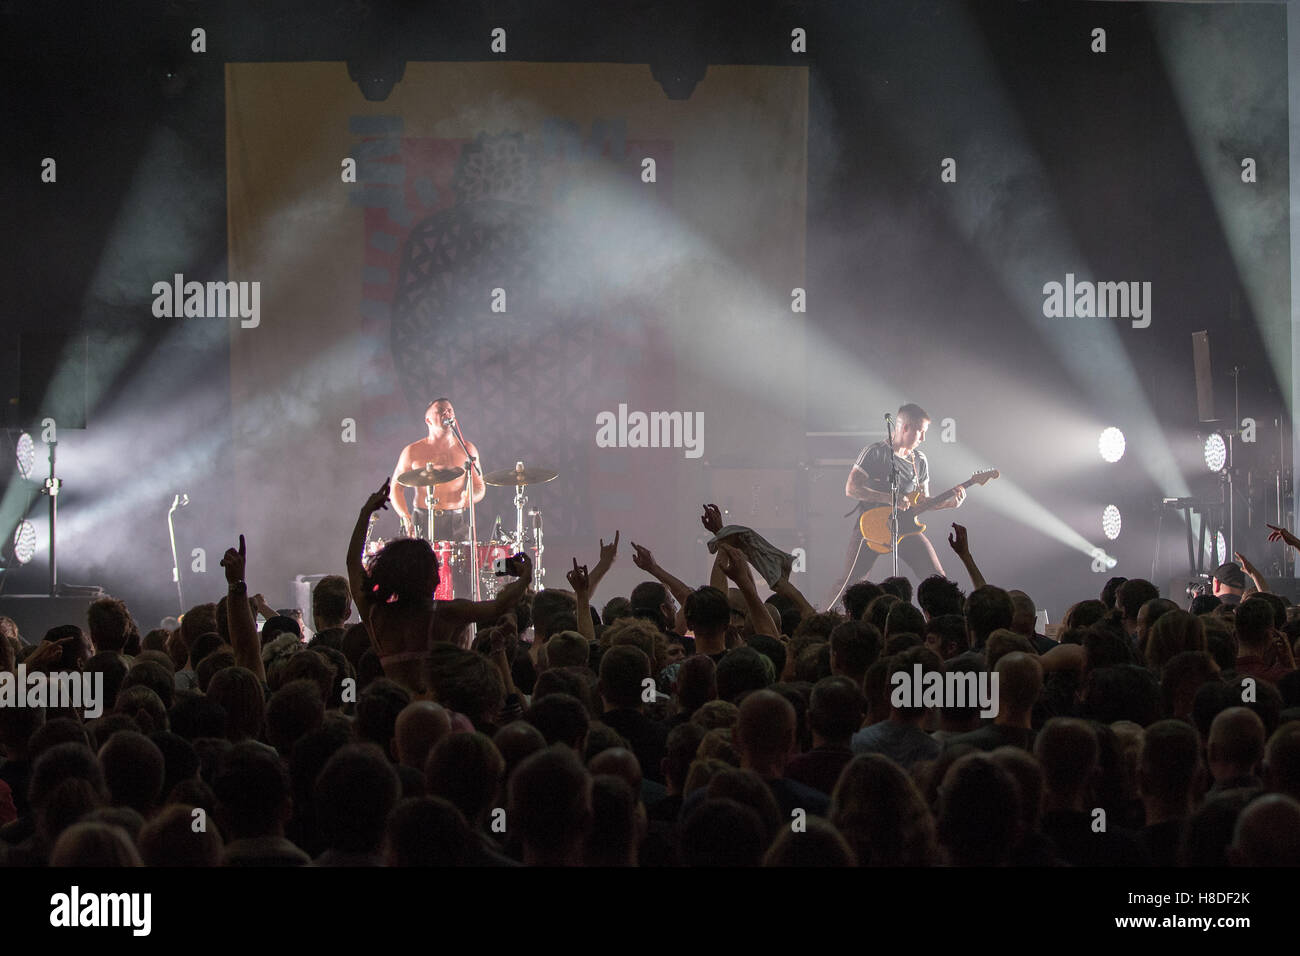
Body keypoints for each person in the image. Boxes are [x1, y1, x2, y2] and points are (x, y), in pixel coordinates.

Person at [838, 403, 963, 591]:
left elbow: (923, 501)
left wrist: (949, 504)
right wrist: (891, 498)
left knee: (937, 579)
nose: (923, 438)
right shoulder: (875, 452)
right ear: (905, 428)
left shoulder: (919, 460)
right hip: (871, 526)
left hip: (907, 528)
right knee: (850, 585)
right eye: (921, 432)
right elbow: (851, 488)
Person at [389, 398, 486, 543]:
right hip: (422, 519)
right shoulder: (412, 451)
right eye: (441, 411)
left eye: (450, 410)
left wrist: (469, 497)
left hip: (455, 520)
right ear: (428, 420)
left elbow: (479, 487)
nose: (447, 413)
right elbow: (396, 488)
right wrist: (405, 516)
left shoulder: (467, 449)